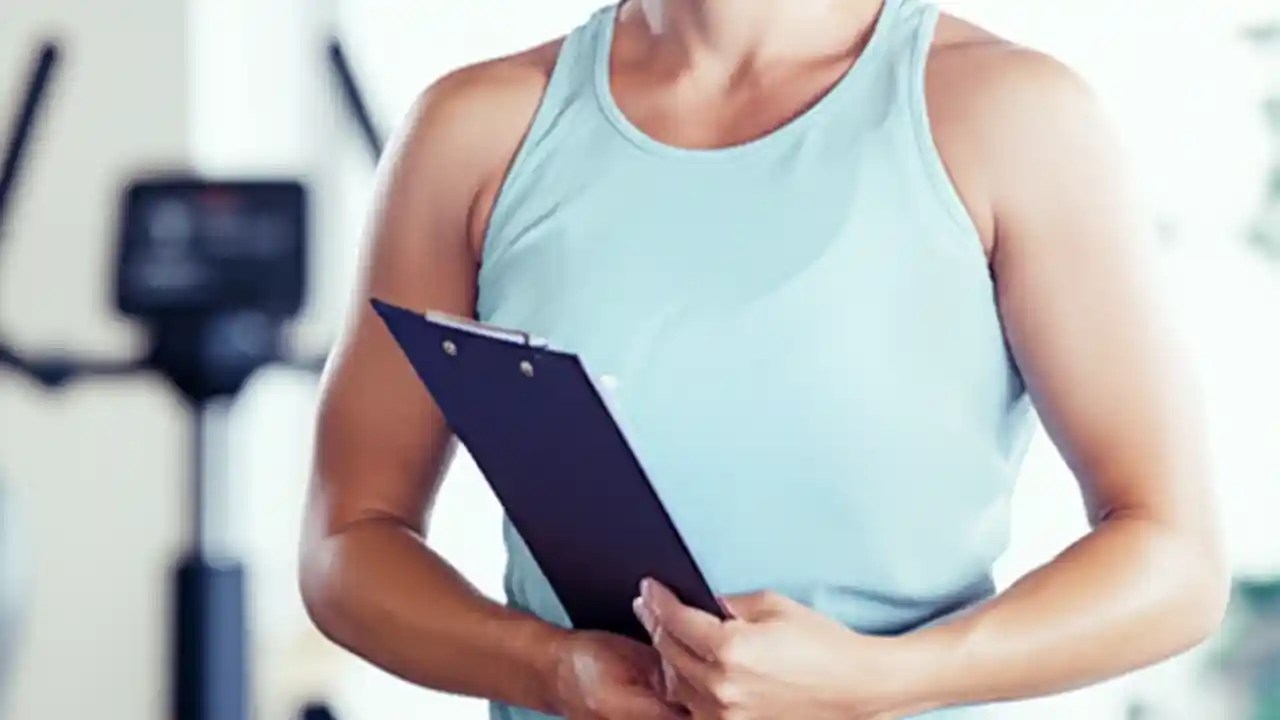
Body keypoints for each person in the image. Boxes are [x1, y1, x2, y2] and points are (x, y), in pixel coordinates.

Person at [298, 0, 1229, 717]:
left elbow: (1174, 559)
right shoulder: (475, 129)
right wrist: (554, 670)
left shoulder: (1007, 113)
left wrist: (879, 681)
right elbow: (351, 541)